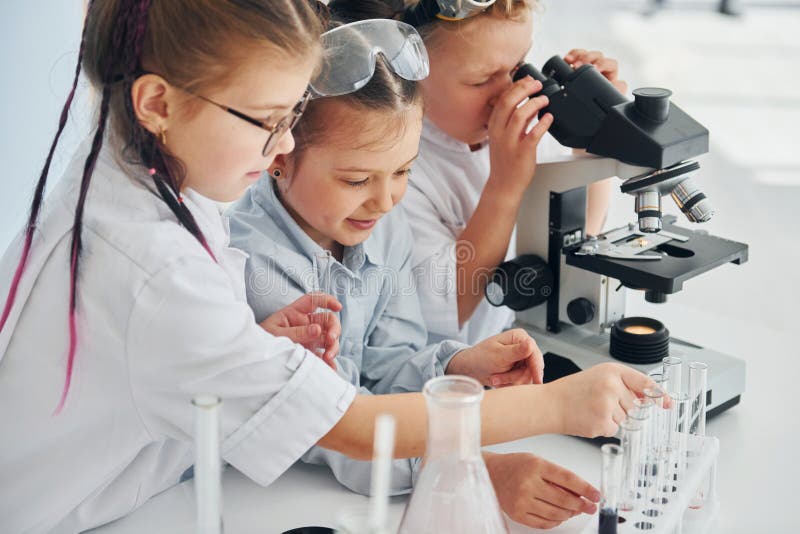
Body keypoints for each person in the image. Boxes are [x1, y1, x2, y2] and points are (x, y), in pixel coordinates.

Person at [0, 2, 653, 532]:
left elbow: (153, 352)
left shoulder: (140, 160)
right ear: (159, 103)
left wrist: (249, 345)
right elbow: (356, 431)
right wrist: (558, 405)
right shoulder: (154, 267)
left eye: (289, 117)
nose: (283, 144)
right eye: (266, 121)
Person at [229, 19, 604, 527]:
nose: (385, 200)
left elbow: (387, 369)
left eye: (403, 171)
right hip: (253, 499)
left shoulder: (379, 227)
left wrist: (459, 366)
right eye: (357, 179)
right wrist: (477, 471)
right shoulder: (258, 266)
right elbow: (342, 438)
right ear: (279, 156)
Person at [329, 0, 627, 347]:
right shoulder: (394, 168)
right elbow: (446, 308)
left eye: (518, 65)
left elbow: (577, 242)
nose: (509, 92)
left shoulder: (521, 128)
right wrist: (504, 187)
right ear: (400, 74)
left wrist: (594, 144)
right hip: (444, 370)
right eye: (481, 80)